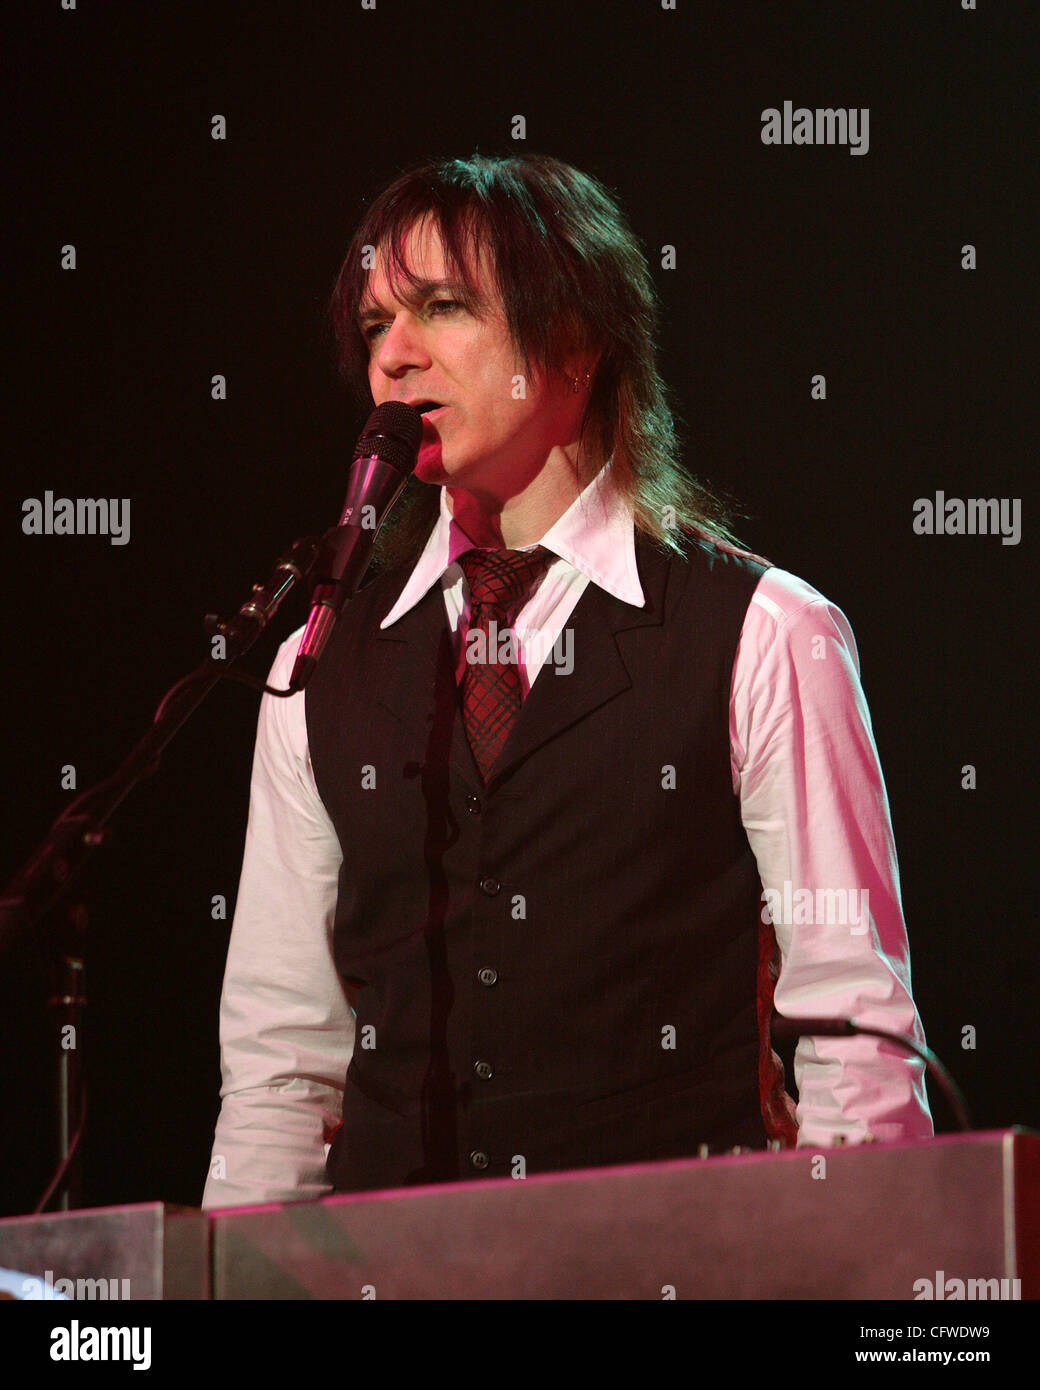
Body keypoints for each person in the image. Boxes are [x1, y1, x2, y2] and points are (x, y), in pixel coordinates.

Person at [202, 152, 932, 1209]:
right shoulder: (317, 662)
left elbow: (852, 1040)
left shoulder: (767, 632)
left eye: (441, 308)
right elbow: (280, 1060)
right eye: (373, 327)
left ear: (575, 342)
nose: (392, 359)